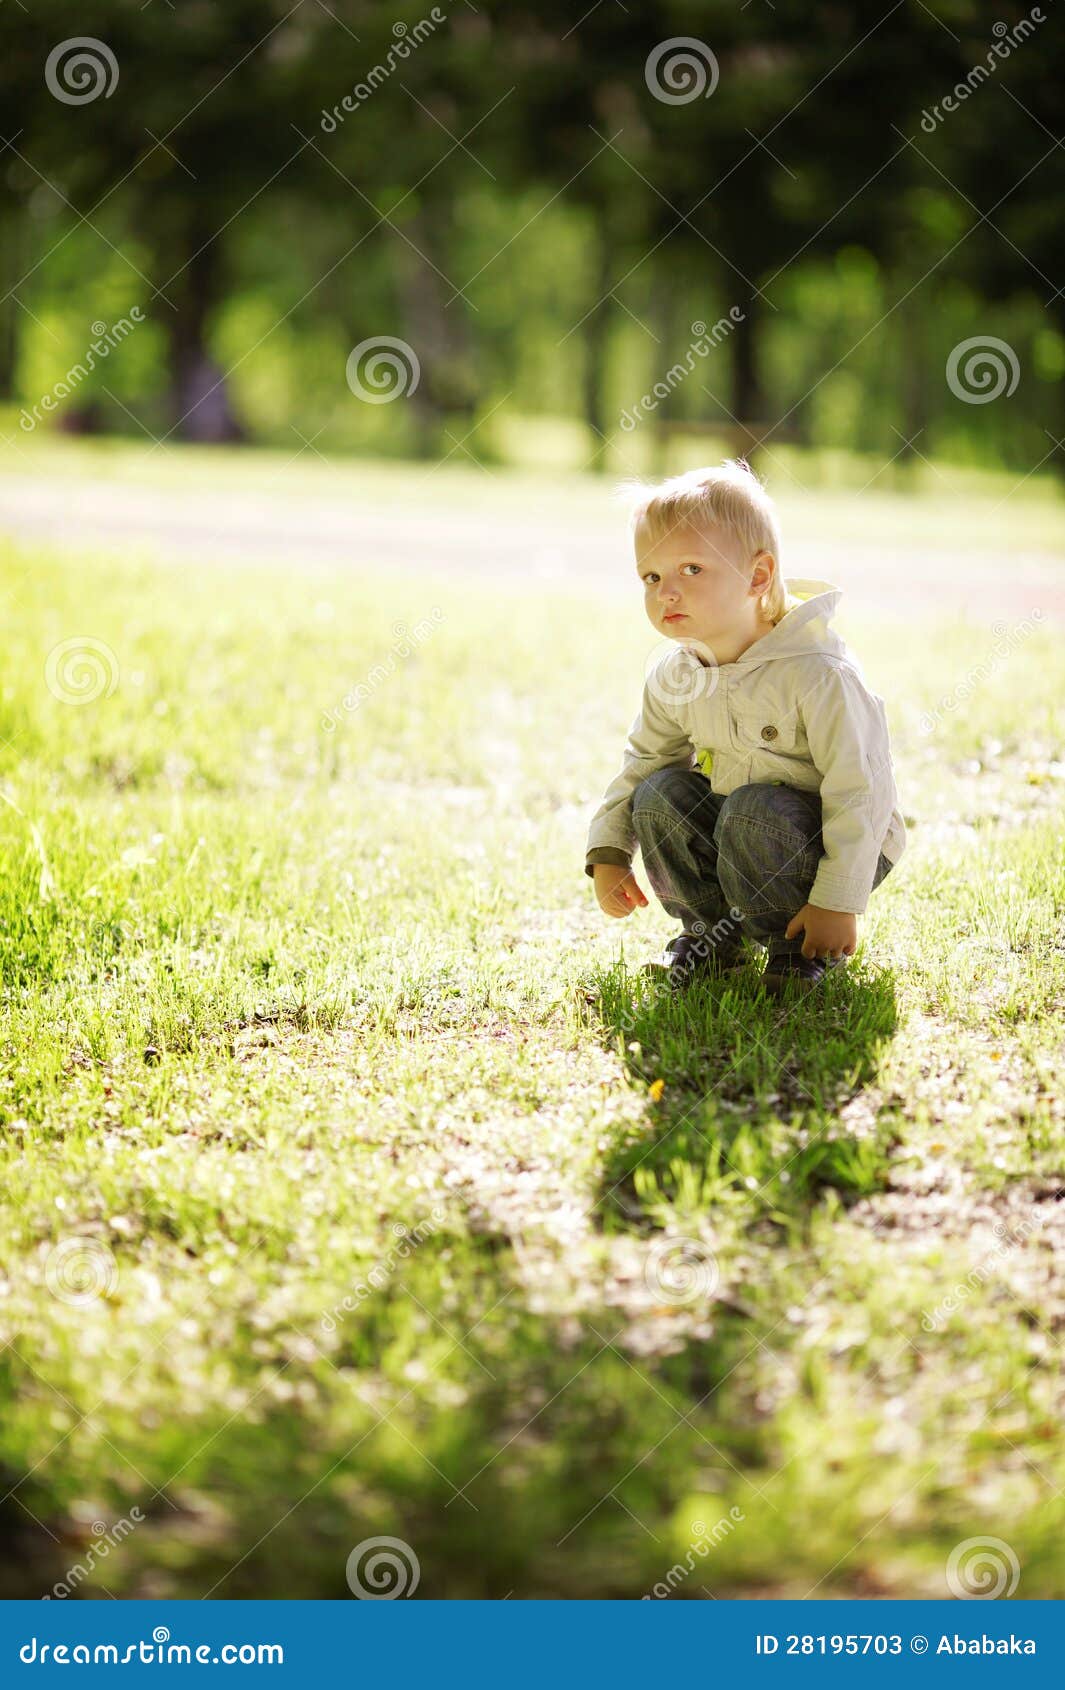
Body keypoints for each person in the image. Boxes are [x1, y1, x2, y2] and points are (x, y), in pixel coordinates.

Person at [585, 461, 906, 994]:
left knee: (753, 809)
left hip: (838, 842)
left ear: (757, 577)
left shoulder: (817, 674)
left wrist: (837, 899)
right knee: (660, 792)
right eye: (652, 576)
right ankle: (711, 939)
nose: (666, 592)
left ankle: (799, 950)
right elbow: (642, 763)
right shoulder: (676, 674)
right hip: (742, 828)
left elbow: (861, 791)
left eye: (691, 570)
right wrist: (610, 851)